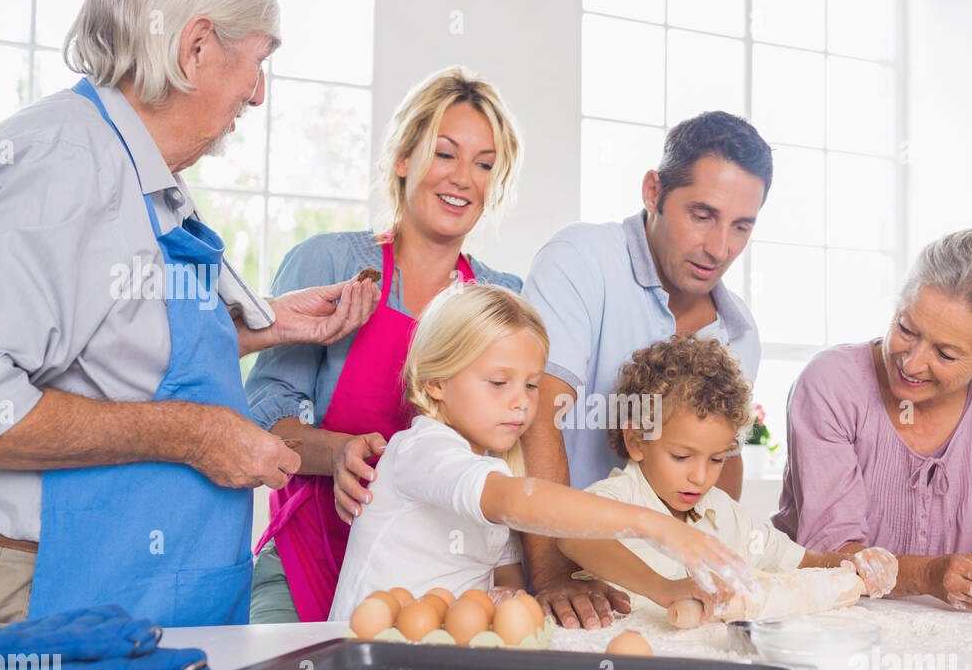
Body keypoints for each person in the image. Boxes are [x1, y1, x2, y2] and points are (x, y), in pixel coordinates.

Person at [0, 0, 377, 629]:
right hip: (33, 594)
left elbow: (111, 344)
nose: (258, 92)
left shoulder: (141, 175)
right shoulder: (65, 167)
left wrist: (269, 324)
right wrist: (195, 435)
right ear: (197, 48)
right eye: (258, 62)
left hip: (118, 592)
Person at [245, 67, 524, 624]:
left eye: (485, 164)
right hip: (313, 553)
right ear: (403, 160)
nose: (464, 178)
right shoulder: (330, 264)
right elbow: (264, 417)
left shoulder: (500, 299)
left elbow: (508, 453)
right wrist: (337, 452)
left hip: (438, 580)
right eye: (445, 154)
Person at [328, 284, 756, 622]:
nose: (521, 402)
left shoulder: (494, 463)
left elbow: (509, 580)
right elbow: (513, 500)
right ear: (437, 382)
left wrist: (661, 590)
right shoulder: (422, 451)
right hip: (365, 656)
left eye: (531, 385)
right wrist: (656, 527)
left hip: (431, 662)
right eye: (499, 383)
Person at [521, 111, 772, 628]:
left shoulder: (739, 332)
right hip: (550, 570)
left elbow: (720, 459)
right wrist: (551, 574)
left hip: (658, 590)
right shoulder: (579, 260)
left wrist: (708, 566)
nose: (720, 248)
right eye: (702, 214)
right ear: (653, 191)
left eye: (741, 226)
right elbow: (536, 416)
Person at [772, 229, 972, 611]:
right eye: (906, 329)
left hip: (935, 625)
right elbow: (828, 551)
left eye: (946, 354)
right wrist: (926, 575)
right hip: (818, 614)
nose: (911, 362)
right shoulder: (831, 384)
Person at [557, 334, 898, 621]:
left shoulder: (727, 516)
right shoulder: (615, 498)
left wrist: (853, 563)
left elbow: (802, 561)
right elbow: (573, 535)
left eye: (717, 458)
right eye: (681, 456)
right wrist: (664, 588)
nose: (700, 477)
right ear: (636, 441)